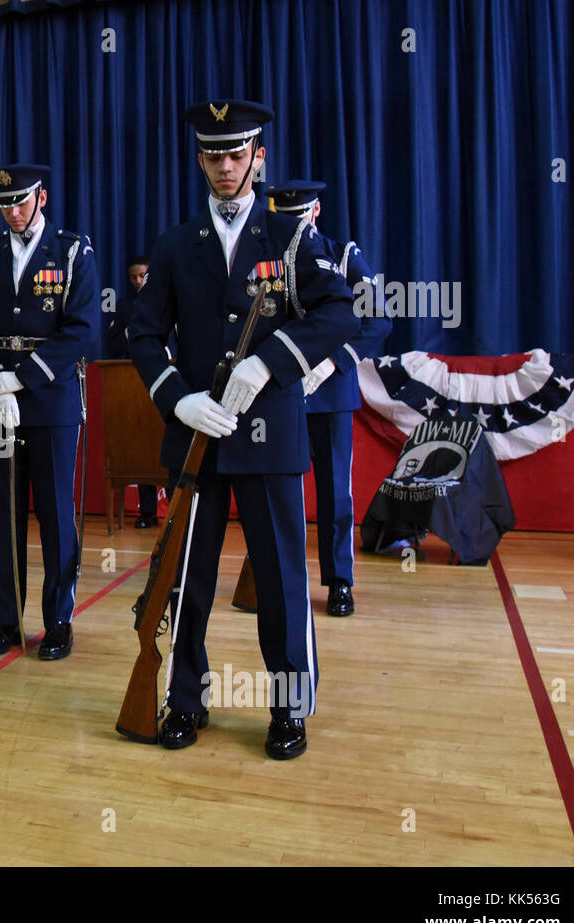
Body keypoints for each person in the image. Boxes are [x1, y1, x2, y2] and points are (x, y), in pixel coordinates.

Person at [128, 101, 358, 758]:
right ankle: (183, 697)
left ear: (258, 157)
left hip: (269, 436)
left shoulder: (288, 236)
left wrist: (271, 361)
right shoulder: (176, 244)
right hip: (198, 437)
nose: (225, 167)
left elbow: (338, 312)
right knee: (186, 578)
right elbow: (142, 332)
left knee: (283, 580)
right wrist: (176, 398)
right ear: (199, 160)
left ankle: (288, 708)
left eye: (237, 155)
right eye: (214, 156)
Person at [0, 163, 99, 660]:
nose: (13, 212)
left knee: (56, 513)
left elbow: (83, 329)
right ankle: (4, 620)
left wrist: (22, 377)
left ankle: (58, 620)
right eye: (4, 205)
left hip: (51, 399)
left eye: (20, 202)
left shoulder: (71, 251)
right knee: (4, 513)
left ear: (41, 196)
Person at [267, 180, 391, 617]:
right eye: (285, 219)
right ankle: (284, 576)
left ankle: (339, 581)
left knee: (335, 490)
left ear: (315, 212)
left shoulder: (342, 256)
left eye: (299, 217)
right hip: (281, 390)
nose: (293, 227)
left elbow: (377, 318)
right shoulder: (267, 260)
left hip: (330, 389)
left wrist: (333, 362)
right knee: (281, 490)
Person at [105, 255, 159, 527]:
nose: (139, 281)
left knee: (166, 444)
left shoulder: (167, 299)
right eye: (134, 277)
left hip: (169, 377)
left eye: (143, 275)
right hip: (135, 382)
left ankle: (176, 509)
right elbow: (112, 345)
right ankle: (146, 511)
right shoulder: (124, 308)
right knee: (143, 448)